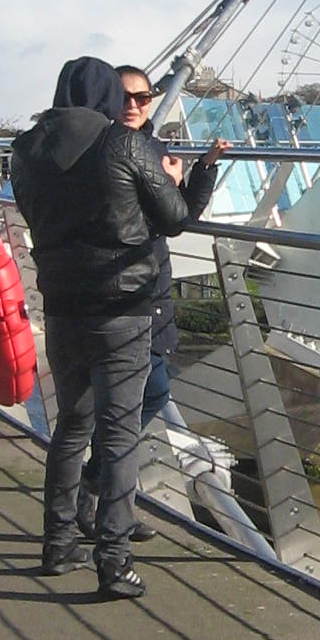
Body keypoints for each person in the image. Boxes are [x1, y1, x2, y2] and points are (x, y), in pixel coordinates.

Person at [8, 55, 217, 601]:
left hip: (61, 305)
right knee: (120, 437)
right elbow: (173, 217)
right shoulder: (120, 145)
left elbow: (37, 216)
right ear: (104, 97)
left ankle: (57, 544)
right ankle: (114, 561)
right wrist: (175, 178)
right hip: (121, 307)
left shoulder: (24, 153)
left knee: (71, 428)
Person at [78, 64, 182, 535]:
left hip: (149, 286)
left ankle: (99, 502)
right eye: (125, 97)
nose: (135, 105)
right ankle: (102, 504)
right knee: (144, 394)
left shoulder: (152, 148)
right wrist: (170, 187)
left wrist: (201, 174)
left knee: (134, 399)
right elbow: (158, 214)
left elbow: (178, 217)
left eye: (144, 97)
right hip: (123, 291)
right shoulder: (108, 150)